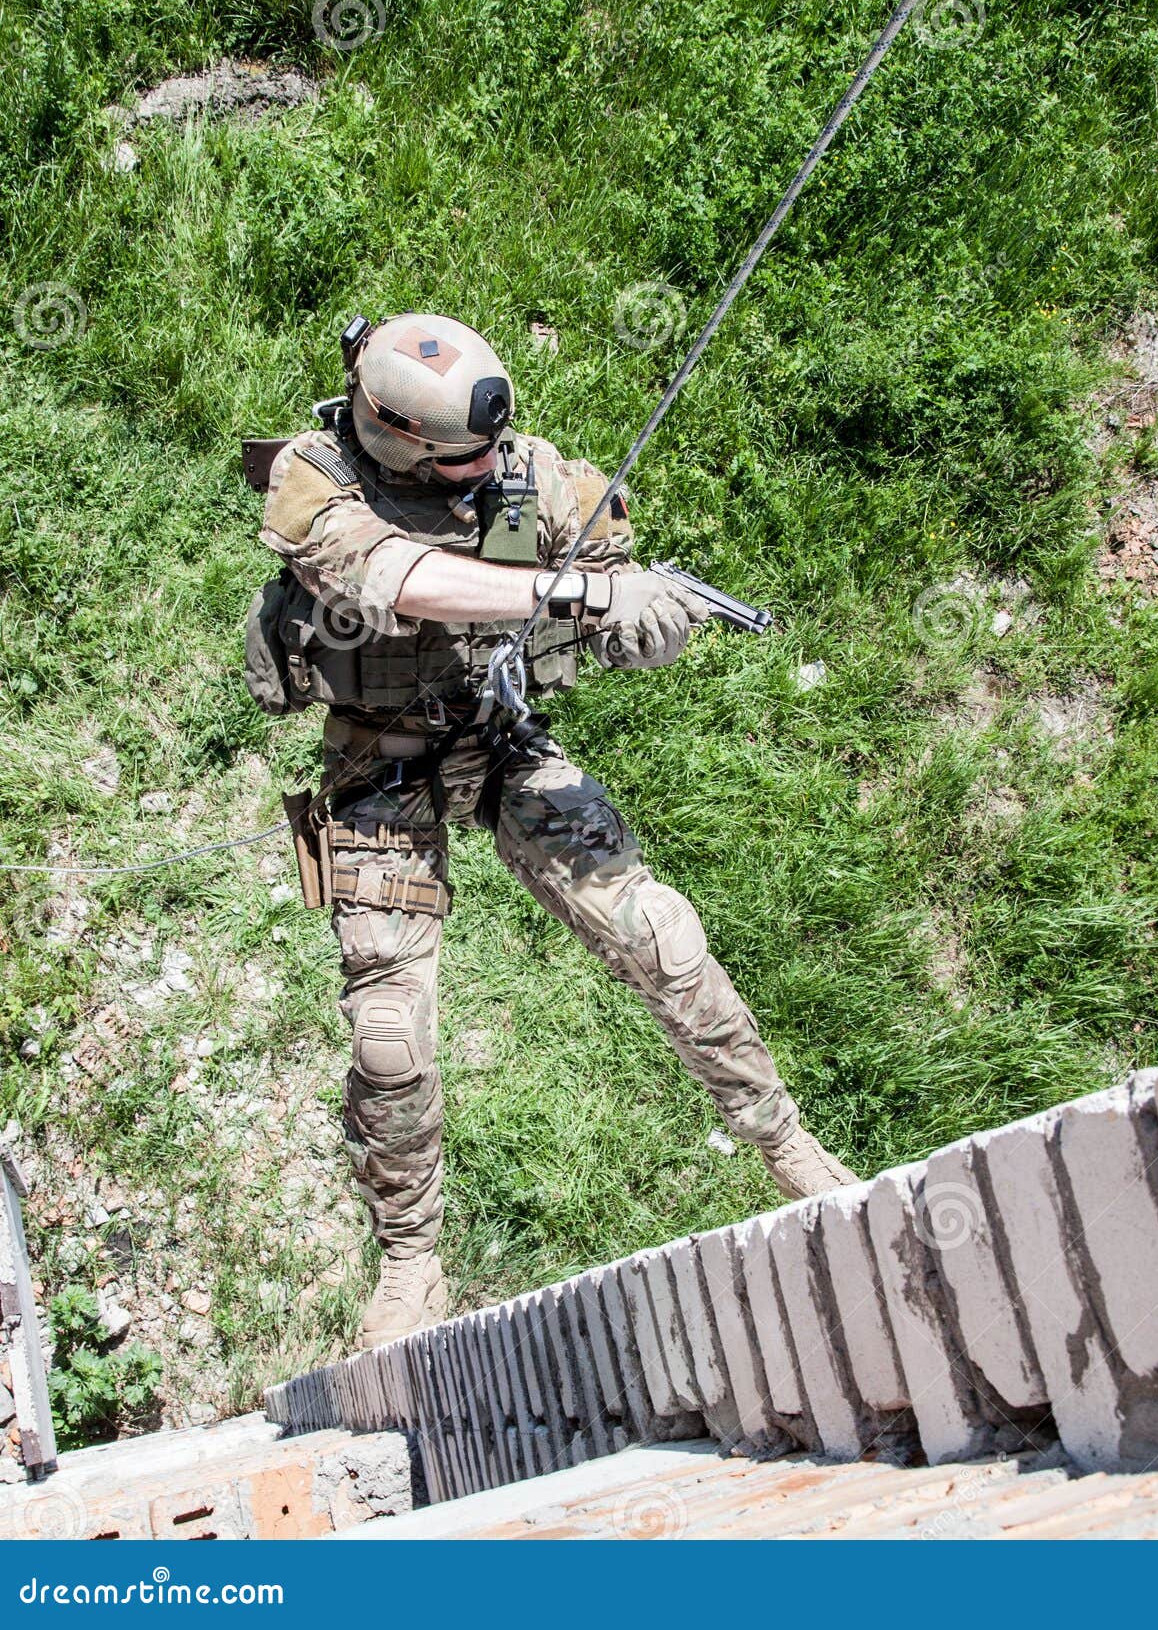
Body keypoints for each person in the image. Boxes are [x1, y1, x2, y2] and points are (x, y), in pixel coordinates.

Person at [246, 312, 856, 1349]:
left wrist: (638, 619)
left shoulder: (527, 474)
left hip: (503, 738)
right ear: (395, 433)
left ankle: (783, 1140)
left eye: (494, 447)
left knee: (659, 933)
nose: (489, 468)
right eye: (465, 456)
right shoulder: (316, 476)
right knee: (389, 1036)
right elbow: (396, 579)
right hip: (380, 764)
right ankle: (411, 1258)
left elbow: (617, 579)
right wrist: (568, 586)